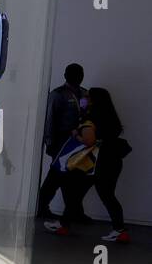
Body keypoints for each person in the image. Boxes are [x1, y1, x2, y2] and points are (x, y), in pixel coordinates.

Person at [74, 87, 132, 243]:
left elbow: (89, 141)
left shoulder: (93, 117)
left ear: (94, 100)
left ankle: (119, 230)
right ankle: (120, 230)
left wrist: (76, 135)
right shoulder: (111, 117)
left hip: (98, 163)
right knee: (106, 195)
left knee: (85, 193)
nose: (85, 99)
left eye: (87, 97)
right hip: (113, 161)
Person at [37, 63, 88, 220]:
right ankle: (43, 207)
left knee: (73, 179)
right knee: (59, 177)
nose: (78, 77)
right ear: (66, 75)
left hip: (79, 143)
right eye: (74, 74)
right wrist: (49, 142)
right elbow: (50, 119)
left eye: (80, 74)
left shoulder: (85, 94)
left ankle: (73, 212)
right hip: (61, 143)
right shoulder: (58, 94)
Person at [43, 121, 99, 236]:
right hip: (81, 165)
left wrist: (76, 135)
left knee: (71, 195)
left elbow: (88, 141)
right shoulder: (89, 123)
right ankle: (67, 222)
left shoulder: (86, 124)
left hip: (73, 164)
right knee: (73, 195)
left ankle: (64, 223)